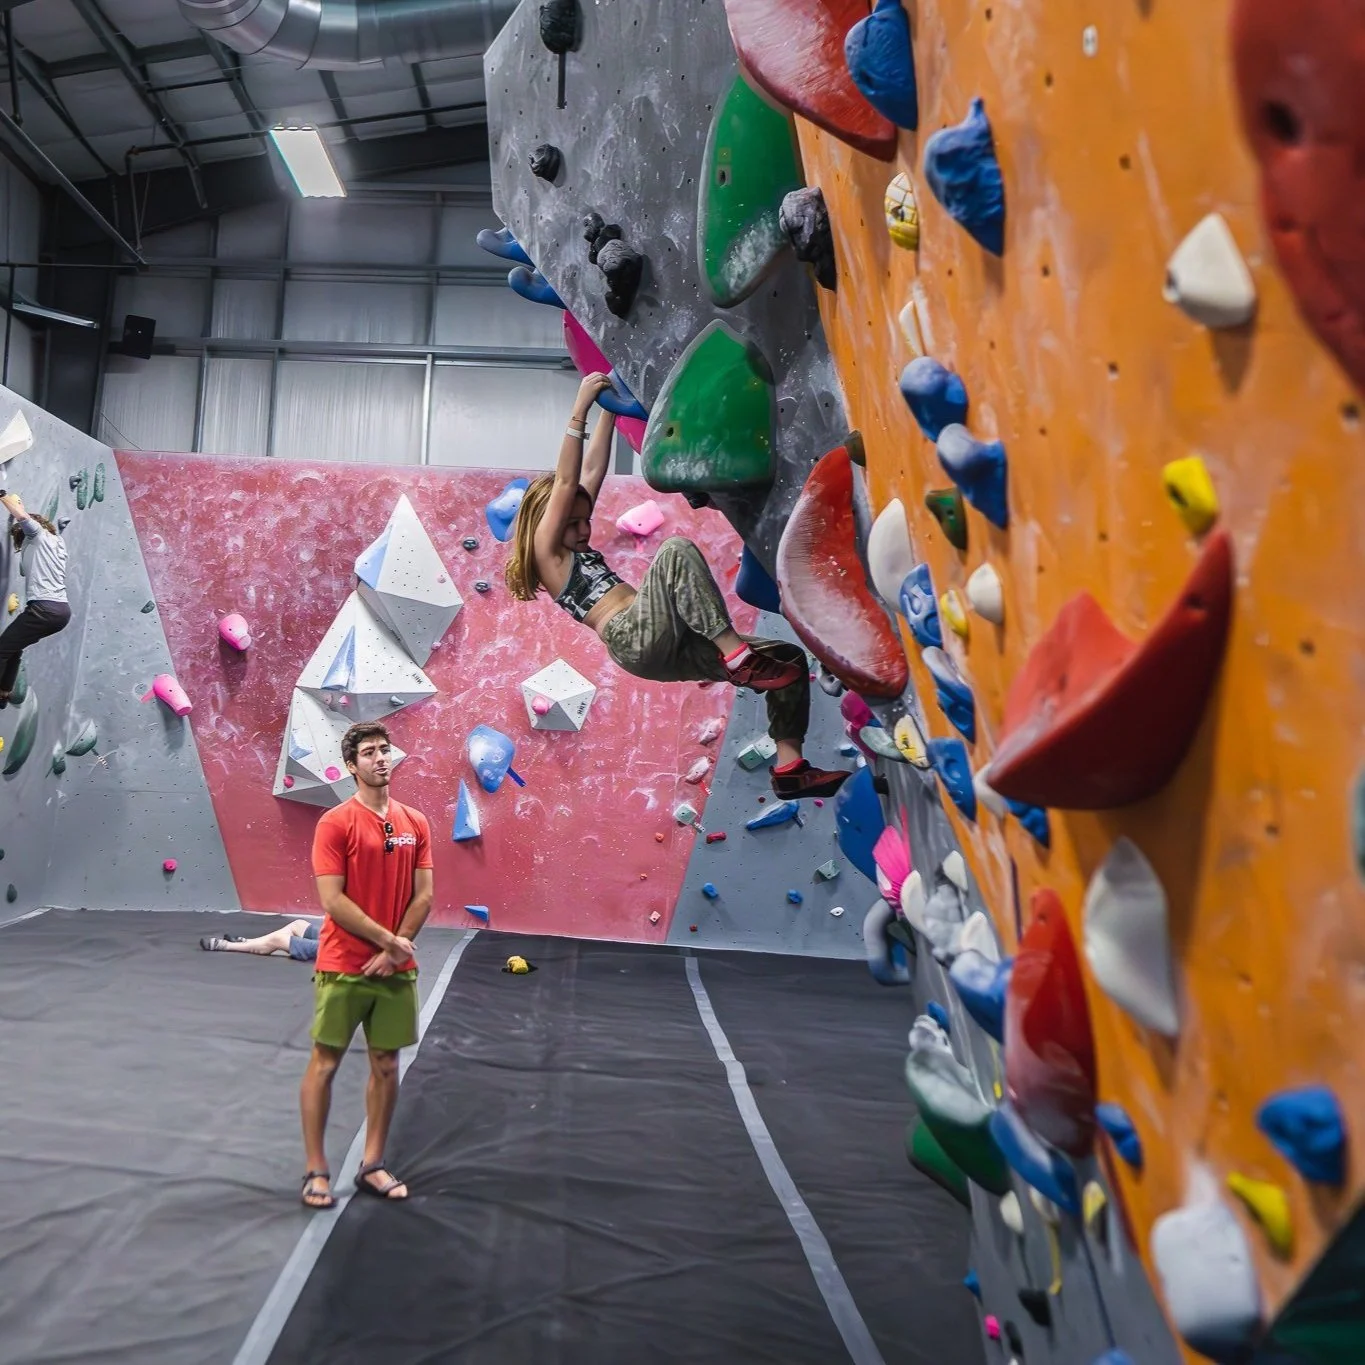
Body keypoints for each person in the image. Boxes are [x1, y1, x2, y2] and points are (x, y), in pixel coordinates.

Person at [505, 373, 850, 800]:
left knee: (786, 661)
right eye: (573, 522)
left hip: (663, 647)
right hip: (631, 636)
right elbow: (565, 481)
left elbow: (592, 470)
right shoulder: (549, 553)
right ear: (547, 521)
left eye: (584, 518)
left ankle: (789, 767)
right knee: (674, 551)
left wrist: (610, 409)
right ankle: (737, 655)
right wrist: (579, 410)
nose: (583, 527)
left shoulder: (573, 534)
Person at [298, 720, 434, 1211]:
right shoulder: (334, 823)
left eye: (385, 749)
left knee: (386, 1064)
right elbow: (332, 901)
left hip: (394, 969)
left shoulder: (415, 821)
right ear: (352, 766)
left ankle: (372, 1164)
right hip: (343, 964)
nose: (381, 758)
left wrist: (397, 949)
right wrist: (388, 943)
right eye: (370, 752)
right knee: (326, 1062)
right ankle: (316, 1170)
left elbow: (425, 895)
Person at [0, 491, 70, 708]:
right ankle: (4, 693)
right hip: (60, 612)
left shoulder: (38, 537)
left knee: (1, 649)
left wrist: (3, 497)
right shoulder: (58, 543)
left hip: (44, 609)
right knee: (13, 649)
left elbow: (23, 517)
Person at [199, 919, 320, 960]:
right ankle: (251, 942)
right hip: (335, 939)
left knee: (278, 939)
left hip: (334, 950)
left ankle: (227, 946)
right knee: (298, 925)